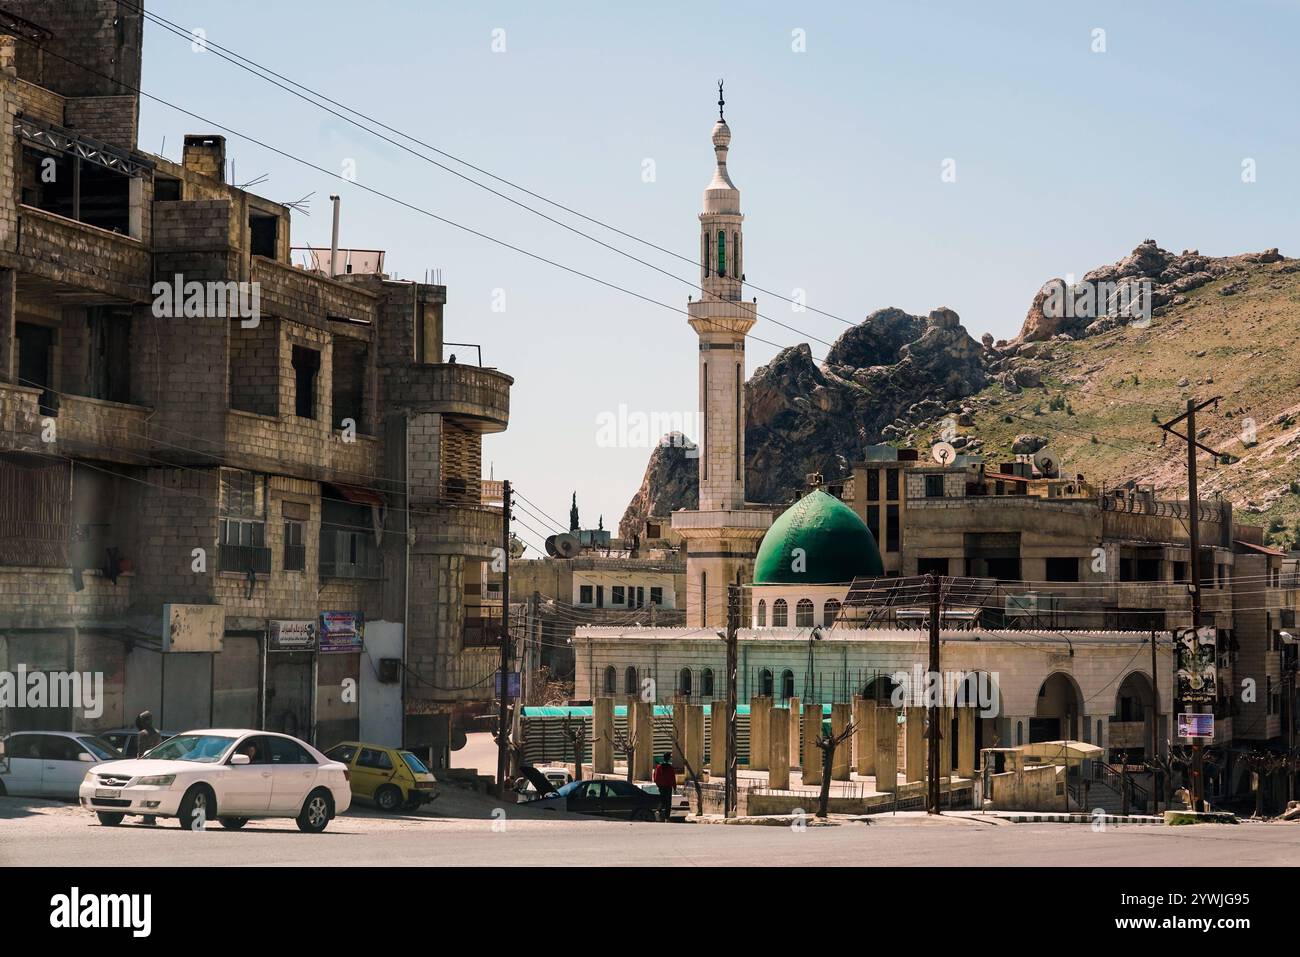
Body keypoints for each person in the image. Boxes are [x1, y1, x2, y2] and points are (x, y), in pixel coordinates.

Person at [135, 711, 162, 826]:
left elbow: (141, 752)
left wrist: (138, 761)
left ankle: (147, 817)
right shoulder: (157, 733)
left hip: (145, 765)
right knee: (152, 791)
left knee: (144, 791)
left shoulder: (143, 734)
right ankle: (151, 817)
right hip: (156, 764)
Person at [651, 752, 676, 822]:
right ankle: (667, 818)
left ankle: (658, 810)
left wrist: (658, 784)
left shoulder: (658, 767)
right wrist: (674, 787)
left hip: (661, 786)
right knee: (668, 802)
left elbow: (655, 776)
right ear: (668, 758)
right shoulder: (670, 768)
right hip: (668, 786)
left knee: (662, 800)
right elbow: (672, 778)